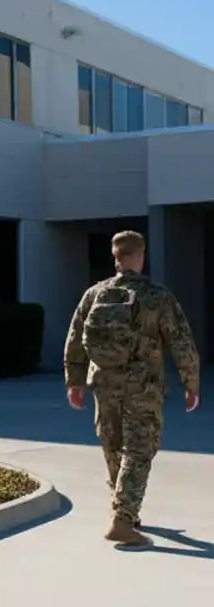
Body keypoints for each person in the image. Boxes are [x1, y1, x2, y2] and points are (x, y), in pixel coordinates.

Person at [63, 230, 200, 548]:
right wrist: (190, 382)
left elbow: (75, 338)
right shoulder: (156, 295)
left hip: (104, 382)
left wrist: (74, 381)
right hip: (143, 386)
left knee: (113, 446)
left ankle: (125, 510)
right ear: (141, 255)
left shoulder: (95, 294)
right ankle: (123, 520)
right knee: (139, 451)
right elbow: (180, 340)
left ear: (115, 258)